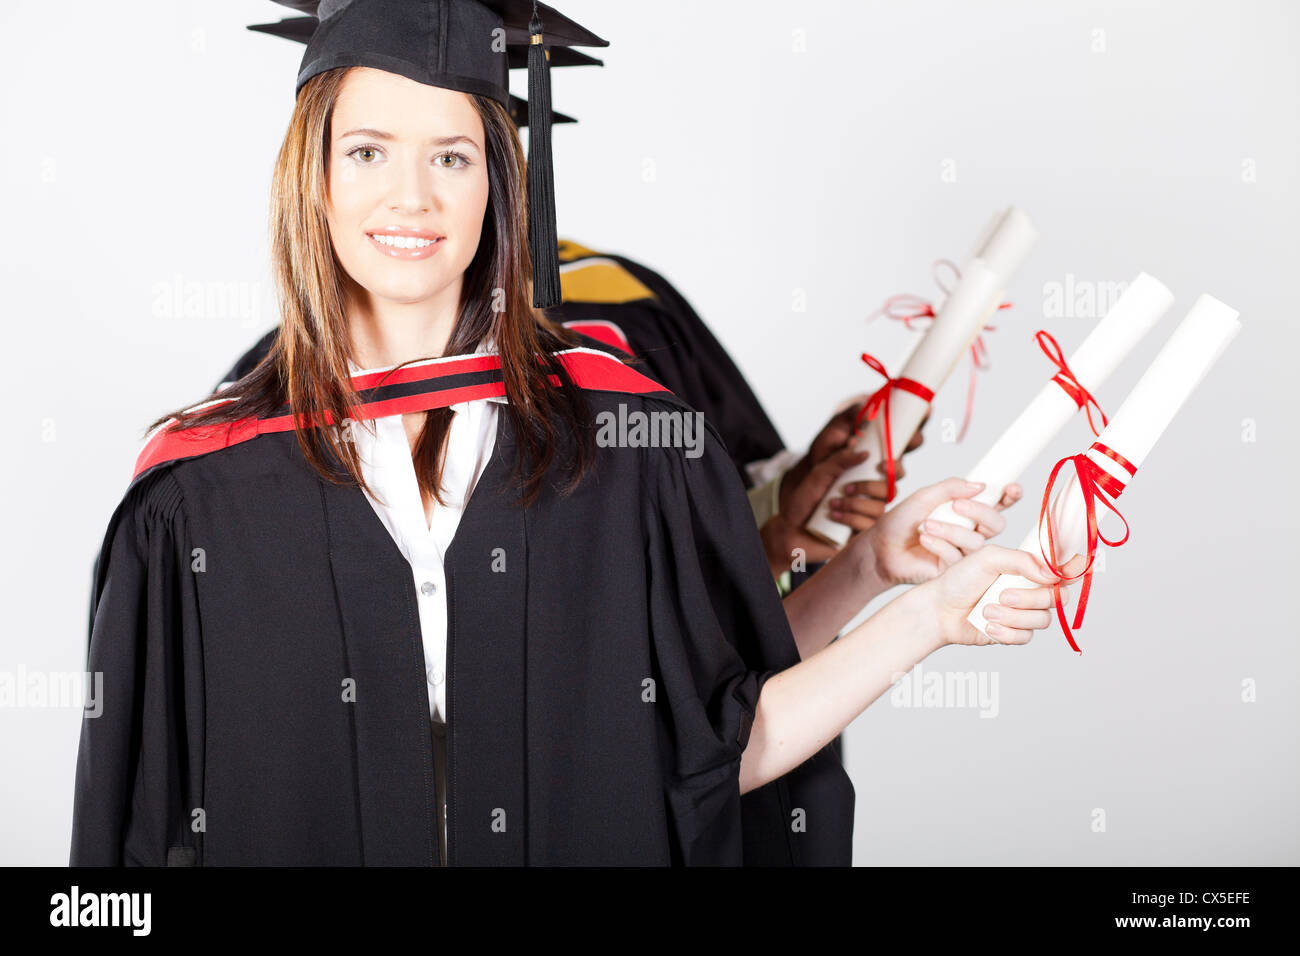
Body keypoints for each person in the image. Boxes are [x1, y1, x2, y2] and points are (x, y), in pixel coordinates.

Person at [71, 0, 1069, 867]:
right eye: (368, 149)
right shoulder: (200, 491)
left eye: (452, 156)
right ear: (313, 177)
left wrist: (916, 606)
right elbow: (134, 830)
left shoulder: (623, 448)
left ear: (499, 181)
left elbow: (713, 744)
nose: (410, 196)